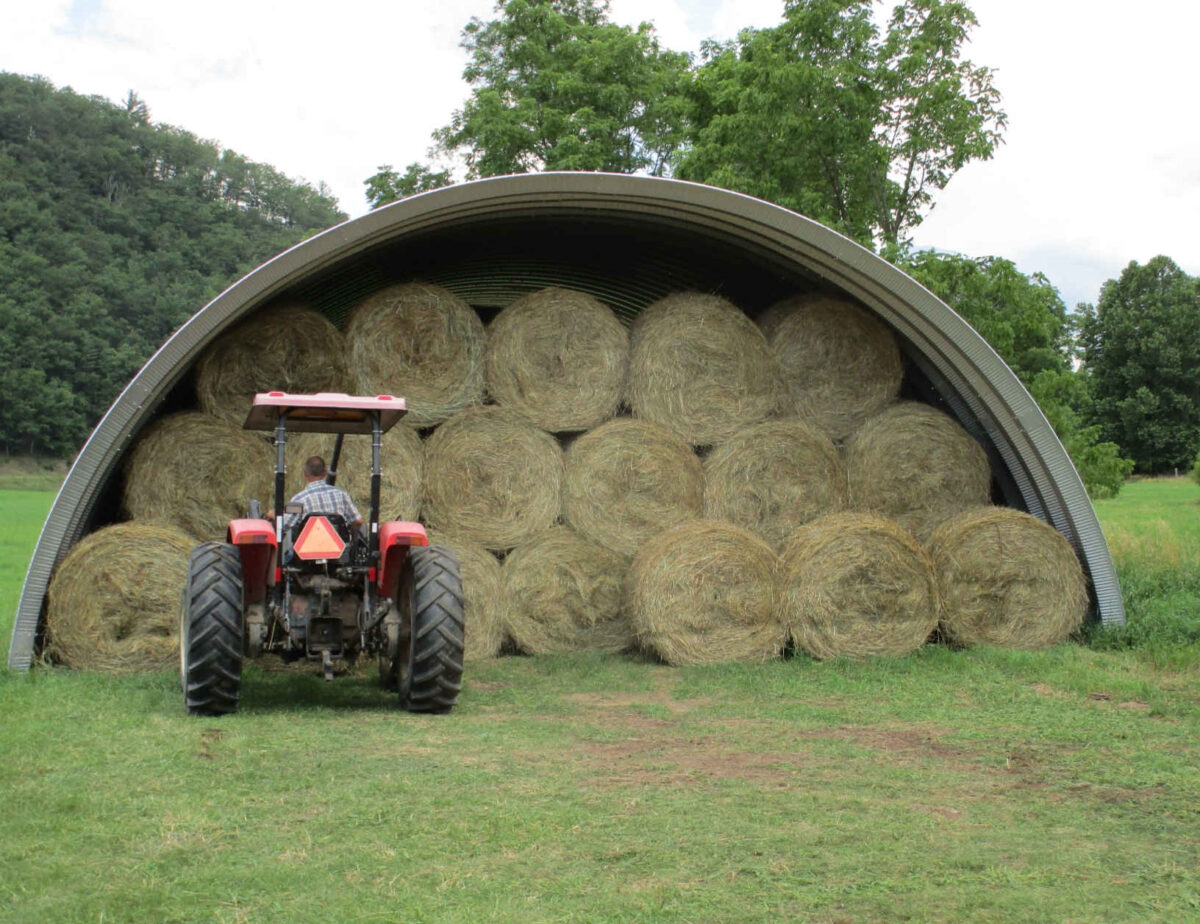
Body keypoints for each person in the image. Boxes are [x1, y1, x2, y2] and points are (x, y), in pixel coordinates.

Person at [284, 455, 363, 533]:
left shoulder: (298, 499)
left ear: (305, 473)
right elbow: (358, 521)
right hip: (338, 541)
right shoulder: (342, 495)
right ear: (325, 472)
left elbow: (285, 525)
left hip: (312, 541)